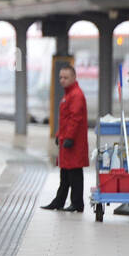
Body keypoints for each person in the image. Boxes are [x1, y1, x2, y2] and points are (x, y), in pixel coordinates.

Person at [41, 63, 89, 212]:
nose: (62, 80)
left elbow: (75, 119)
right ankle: (59, 201)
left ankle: (77, 203)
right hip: (68, 142)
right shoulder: (69, 94)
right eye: (60, 77)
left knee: (74, 174)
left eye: (65, 77)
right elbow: (66, 120)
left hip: (73, 143)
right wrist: (58, 135)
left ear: (74, 78)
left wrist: (68, 137)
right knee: (65, 174)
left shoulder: (76, 95)